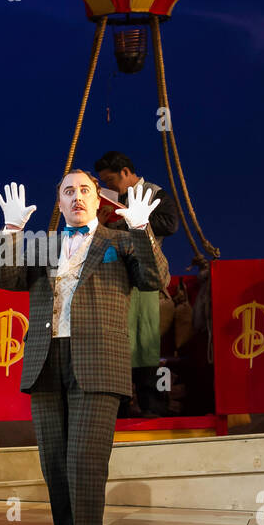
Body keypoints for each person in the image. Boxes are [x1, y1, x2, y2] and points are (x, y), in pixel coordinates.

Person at [0, 172, 164, 525]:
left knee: (83, 463)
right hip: (45, 360)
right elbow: (6, 279)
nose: (76, 197)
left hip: (97, 361)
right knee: (54, 464)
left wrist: (141, 228)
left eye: (84, 189)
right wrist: (12, 231)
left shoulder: (119, 241)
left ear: (97, 198)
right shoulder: (42, 246)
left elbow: (156, 278)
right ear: (59, 202)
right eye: (68, 191)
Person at [94, 150, 179, 417]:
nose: (109, 187)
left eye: (111, 181)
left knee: (144, 342)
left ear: (126, 173)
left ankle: (152, 405)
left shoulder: (155, 193)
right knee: (115, 344)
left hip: (143, 273)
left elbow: (169, 224)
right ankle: (118, 407)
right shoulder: (111, 199)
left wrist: (134, 217)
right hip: (114, 276)